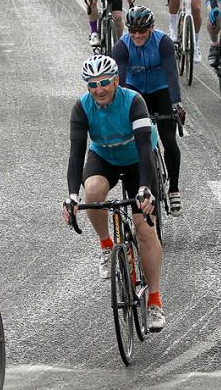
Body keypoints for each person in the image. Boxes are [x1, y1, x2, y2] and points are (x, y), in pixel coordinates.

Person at [62, 55, 166, 331]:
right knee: (92, 192)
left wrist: (145, 189)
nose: (99, 90)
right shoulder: (82, 108)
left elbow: (145, 149)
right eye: (92, 85)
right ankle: (107, 246)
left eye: (105, 83)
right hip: (104, 156)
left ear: (117, 80)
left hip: (136, 160)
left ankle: (155, 301)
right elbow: (76, 154)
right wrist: (72, 195)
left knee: (144, 228)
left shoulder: (133, 102)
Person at [113, 6, 186, 216]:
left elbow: (172, 74)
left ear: (151, 28)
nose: (137, 35)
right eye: (133, 30)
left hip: (161, 91)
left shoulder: (163, 42)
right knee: (139, 142)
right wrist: (122, 110)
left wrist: (176, 104)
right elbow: (121, 83)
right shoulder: (122, 47)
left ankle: (173, 190)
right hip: (136, 93)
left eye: (142, 30)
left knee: (169, 140)